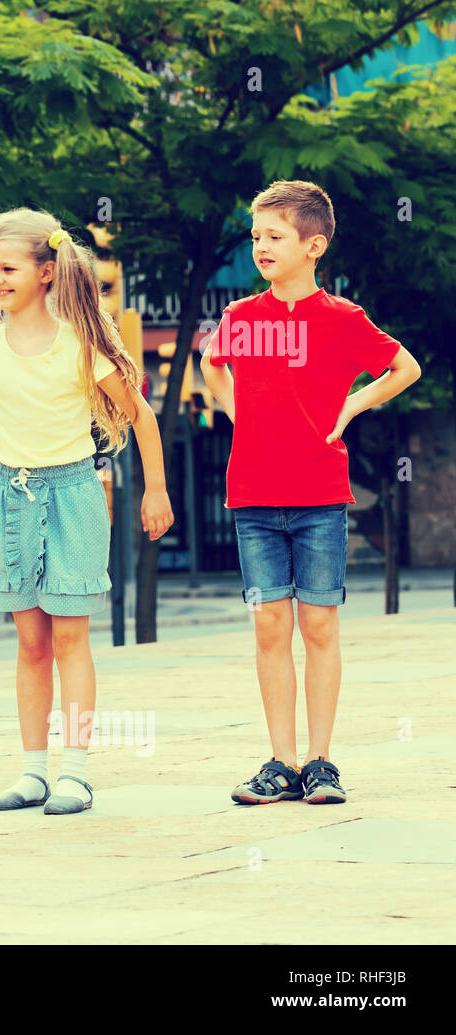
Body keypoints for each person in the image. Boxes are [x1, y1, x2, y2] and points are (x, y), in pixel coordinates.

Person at [0, 209, 173, 815]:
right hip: (9, 497)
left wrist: (154, 490)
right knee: (30, 641)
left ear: (47, 271)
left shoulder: (81, 346)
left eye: (8, 268)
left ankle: (76, 773)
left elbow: (142, 415)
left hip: (75, 494)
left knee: (70, 637)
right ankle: (33, 773)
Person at [201, 180, 422, 806]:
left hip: (322, 495)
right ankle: (281, 761)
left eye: (274, 236)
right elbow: (211, 366)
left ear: (313, 244)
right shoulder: (241, 318)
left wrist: (353, 403)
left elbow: (404, 367)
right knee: (270, 625)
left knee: (319, 625)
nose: (260, 247)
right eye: (254, 237)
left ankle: (322, 762)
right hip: (252, 496)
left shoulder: (343, 320)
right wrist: (237, 415)